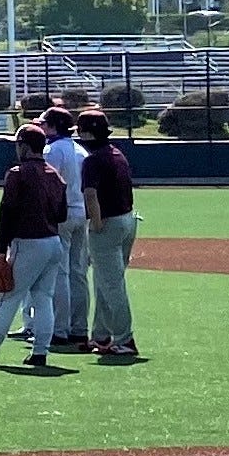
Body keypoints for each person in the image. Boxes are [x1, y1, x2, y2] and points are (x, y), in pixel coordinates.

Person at [0, 126, 69, 367]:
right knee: (43, 297)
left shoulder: (18, 173)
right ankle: (40, 353)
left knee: (7, 298)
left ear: (24, 146)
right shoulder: (55, 174)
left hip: (28, 243)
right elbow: (62, 214)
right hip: (53, 242)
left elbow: (7, 212)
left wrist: (0, 251)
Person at [76, 111, 140, 358]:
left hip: (108, 224)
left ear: (88, 133)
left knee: (112, 285)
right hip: (128, 220)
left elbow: (90, 195)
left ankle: (125, 339)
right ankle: (101, 336)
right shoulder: (116, 153)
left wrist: (96, 223)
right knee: (105, 281)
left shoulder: (92, 160)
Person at [36, 106, 93, 351]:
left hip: (63, 214)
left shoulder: (52, 150)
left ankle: (60, 330)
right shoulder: (80, 150)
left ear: (54, 126)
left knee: (61, 273)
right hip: (82, 213)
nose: (42, 128)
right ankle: (79, 328)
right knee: (78, 272)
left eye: (45, 124)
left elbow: (46, 185)